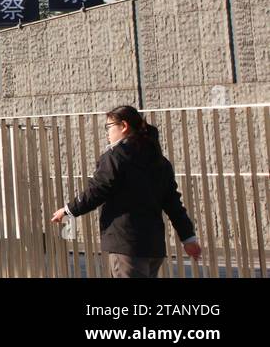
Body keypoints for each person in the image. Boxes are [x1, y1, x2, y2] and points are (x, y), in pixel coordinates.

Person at [51, 104, 202, 278]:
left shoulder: (116, 156)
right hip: (153, 246)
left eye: (109, 127)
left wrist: (68, 210)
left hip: (126, 244)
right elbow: (173, 204)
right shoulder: (159, 160)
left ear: (123, 126)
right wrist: (188, 238)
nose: (107, 133)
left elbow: (97, 191)